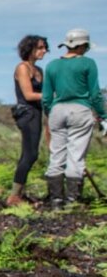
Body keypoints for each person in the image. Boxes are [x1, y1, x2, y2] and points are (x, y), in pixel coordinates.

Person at [41, 29, 105, 206]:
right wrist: (103, 115)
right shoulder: (88, 63)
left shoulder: (52, 65)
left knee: (56, 155)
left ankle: (56, 201)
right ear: (82, 46)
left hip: (57, 110)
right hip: (80, 110)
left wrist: (50, 114)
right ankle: (72, 201)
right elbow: (95, 94)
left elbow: (46, 97)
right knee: (75, 157)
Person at [7, 35, 48, 207]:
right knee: (30, 154)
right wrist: (54, 96)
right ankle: (14, 196)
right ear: (29, 49)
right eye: (40, 47)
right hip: (27, 113)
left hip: (37, 112)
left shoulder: (39, 69)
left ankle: (19, 193)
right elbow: (29, 94)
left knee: (31, 154)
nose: (44, 51)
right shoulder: (23, 68)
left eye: (45, 47)